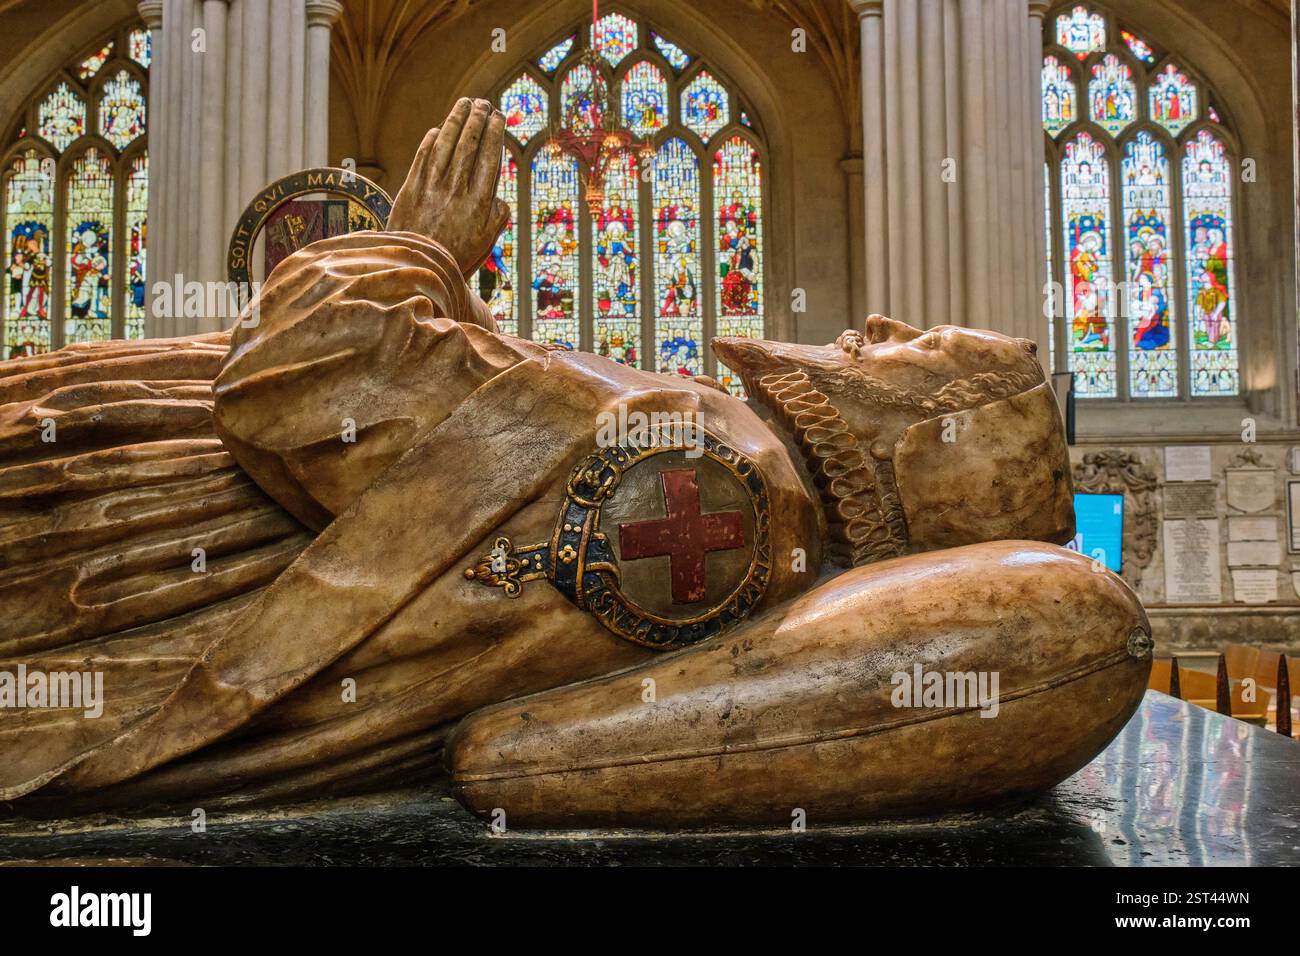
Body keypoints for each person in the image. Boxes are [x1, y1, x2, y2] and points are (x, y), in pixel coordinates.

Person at [0, 100, 1148, 823]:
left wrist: (418, 247)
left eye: (917, 350)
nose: (883, 329)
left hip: (112, 548)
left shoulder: (721, 478)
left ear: (927, 438)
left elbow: (314, 379)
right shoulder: (743, 486)